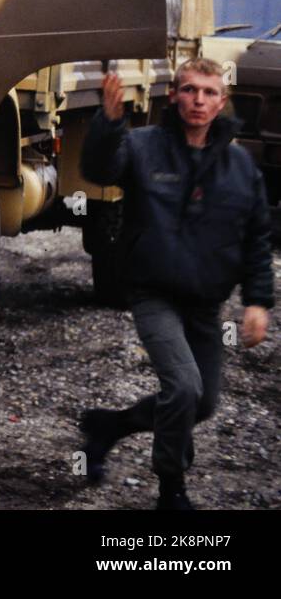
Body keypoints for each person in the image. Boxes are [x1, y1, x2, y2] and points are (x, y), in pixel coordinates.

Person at [78, 58, 273, 510]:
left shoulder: (240, 167)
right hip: (154, 293)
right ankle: (171, 489)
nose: (198, 100)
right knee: (184, 387)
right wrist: (108, 123)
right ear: (174, 96)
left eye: (208, 92)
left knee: (201, 404)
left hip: (206, 303)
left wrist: (258, 301)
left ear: (221, 102)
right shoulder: (144, 146)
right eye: (189, 90)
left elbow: (256, 237)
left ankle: (109, 427)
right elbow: (100, 170)